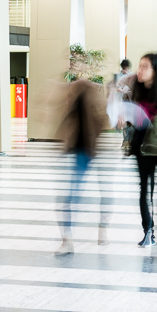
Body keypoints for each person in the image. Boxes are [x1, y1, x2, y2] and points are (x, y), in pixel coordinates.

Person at [56, 65, 112, 256]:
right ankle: (68, 239)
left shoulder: (92, 90)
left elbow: (102, 118)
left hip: (94, 150)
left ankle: (101, 230)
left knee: (102, 193)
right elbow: (65, 119)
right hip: (80, 150)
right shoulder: (71, 90)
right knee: (71, 196)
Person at [127, 53, 157, 248]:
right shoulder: (136, 89)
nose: (139, 71)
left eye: (145, 67)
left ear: (156, 71)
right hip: (142, 146)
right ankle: (148, 230)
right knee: (144, 189)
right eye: (139, 66)